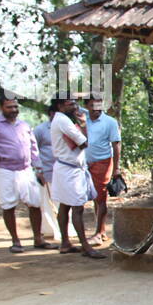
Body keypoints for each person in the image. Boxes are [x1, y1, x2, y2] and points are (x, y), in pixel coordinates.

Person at [0, 97, 53, 253]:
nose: (13, 110)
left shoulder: (24, 125)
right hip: (5, 170)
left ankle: (38, 238)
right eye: (9, 107)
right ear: (1, 108)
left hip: (26, 169)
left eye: (15, 106)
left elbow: (33, 149)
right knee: (9, 205)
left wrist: (39, 169)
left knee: (35, 203)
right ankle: (15, 241)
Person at [48, 95, 107, 259]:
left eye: (75, 103)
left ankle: (65, 242)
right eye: (70, 104)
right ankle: (85, 246)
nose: (74, 106)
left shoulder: (61, 119)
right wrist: (82, 123)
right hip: (69, 169)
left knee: (65, 206)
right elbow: (83, 142)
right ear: (60, 106)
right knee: (77, 207)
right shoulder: (64, 121)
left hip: (68, 167)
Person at [83, 96, 122, 246]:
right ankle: (102, 230)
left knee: (100, 197)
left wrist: (116, 168)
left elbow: (116, 145)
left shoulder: (110, 122)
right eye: (92, 105)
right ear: (86, 105)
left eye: (99, 105)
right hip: (84, 163)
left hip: (103, 162)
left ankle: (98, 233)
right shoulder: (82, 119)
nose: (96, 109)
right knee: (92, 198)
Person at [32, 115, 59, 245]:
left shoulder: (68, 126)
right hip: (45, 171)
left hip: (63, 172)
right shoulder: (40, 130)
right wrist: (38, 170)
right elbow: (32, 150)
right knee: (46, 203)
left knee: (62, 202)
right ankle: (49, 230)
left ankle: (65, 229)